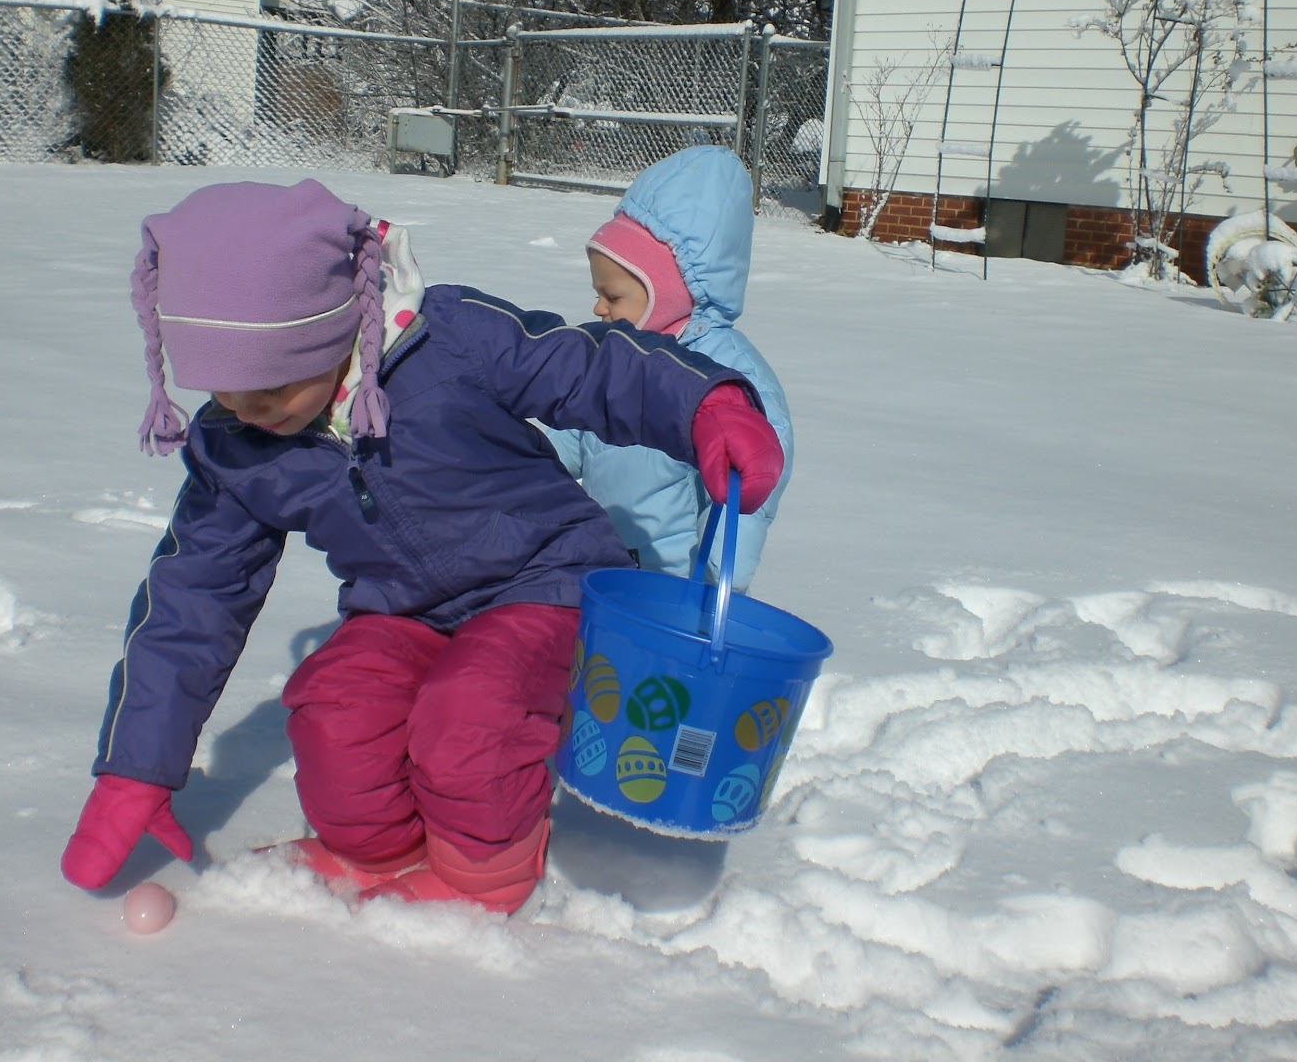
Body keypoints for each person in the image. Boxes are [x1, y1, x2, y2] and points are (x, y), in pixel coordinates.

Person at [58, 177, 783, 915]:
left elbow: (589, 366)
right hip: (403, 608)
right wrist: (136, 767)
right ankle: (379, 852)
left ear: (329, 329)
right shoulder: (236, 445)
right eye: (220, 394)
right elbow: (193, 601)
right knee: (334, 709)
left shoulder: (451, 340)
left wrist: (707, 403)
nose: (246, 414)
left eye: (268, 392)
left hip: (545, 582)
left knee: (472, 712)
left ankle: (482, 877)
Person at [544, 145, 793, 593]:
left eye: (613, 297)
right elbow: (568, 433)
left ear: (669, 291)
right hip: (605, 563)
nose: (597, 306)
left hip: (681, 584)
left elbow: (752, 479)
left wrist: (717, 577)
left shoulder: (727, 372)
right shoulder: (612, 356)